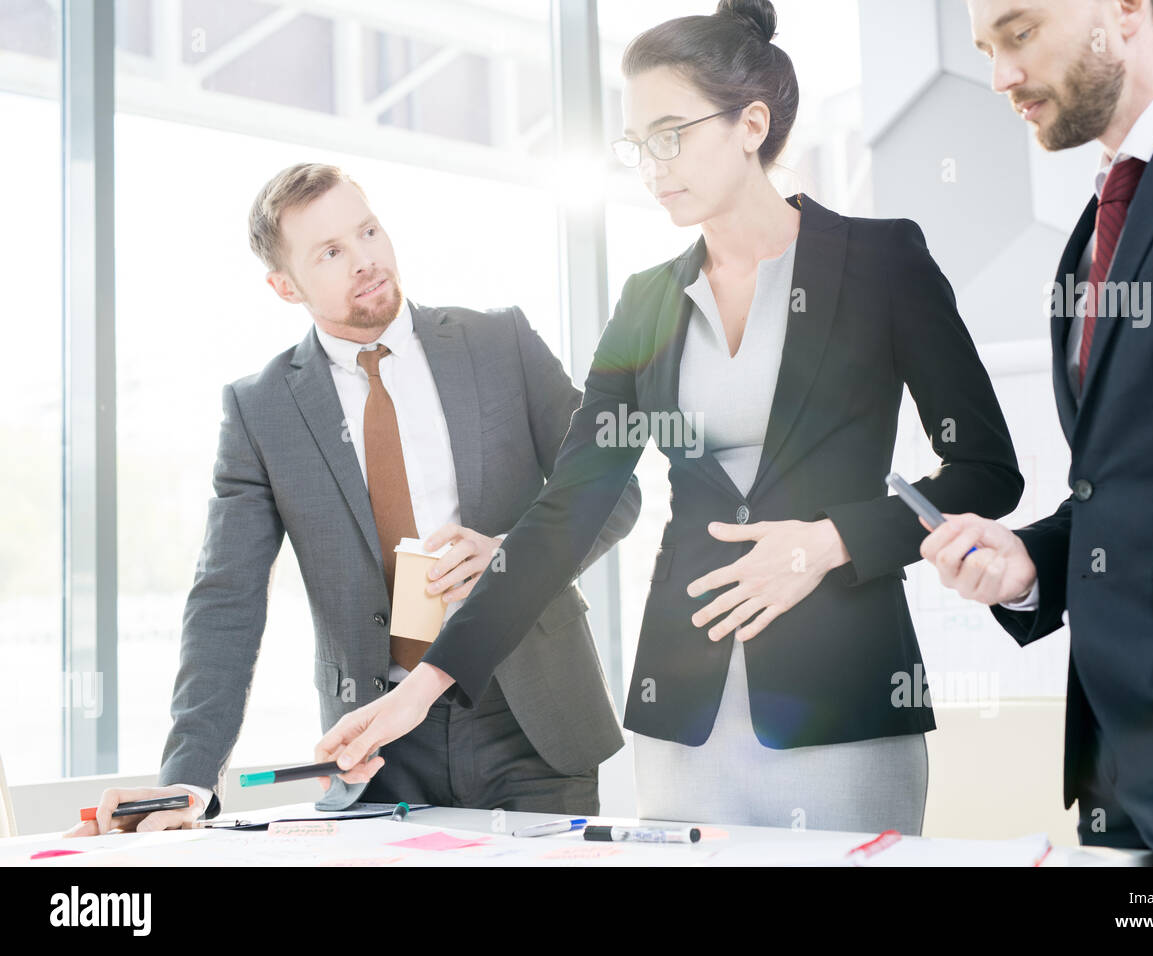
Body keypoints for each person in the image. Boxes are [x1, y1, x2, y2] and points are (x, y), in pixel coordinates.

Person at [316, 0, 1022, 835]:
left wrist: (828, 542)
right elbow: (565, 513)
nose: (652, 166)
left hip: (845, 702)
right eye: (636, 144)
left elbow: (985, 470)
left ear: (751, 123)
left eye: (670, 133)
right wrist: (426, 687)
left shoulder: (881, 264)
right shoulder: (647, 303)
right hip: (684, 715)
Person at [67, 162, 640, 836]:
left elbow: (610, 489)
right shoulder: (262, 410)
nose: (366, 260)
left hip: (533, 718)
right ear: (285, 285)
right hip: (377, 749)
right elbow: (227, 597)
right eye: (331, 252)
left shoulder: (500, 342)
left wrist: (516, 555)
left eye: (368, 231)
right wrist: (187, 779)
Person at [919, 0, 1153, 864]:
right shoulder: (1094, 231)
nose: (999, 76)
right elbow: (1147, 486)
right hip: (1121, 772)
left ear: (1126, 9)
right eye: (984, 50)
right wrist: (1032, 565)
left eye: (1018, 34)